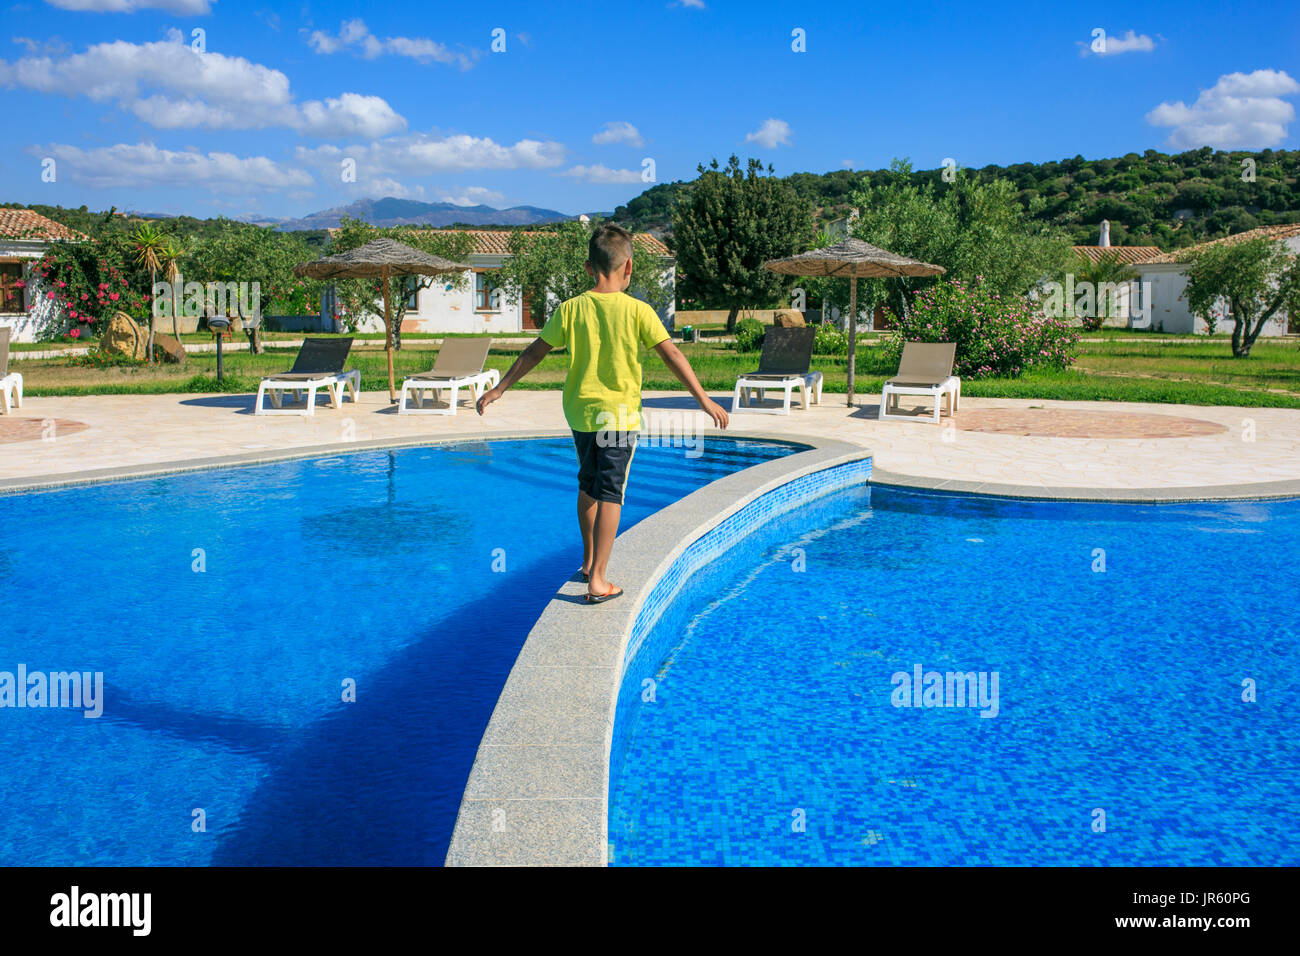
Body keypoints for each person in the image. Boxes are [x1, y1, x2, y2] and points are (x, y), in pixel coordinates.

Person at [476, 223, 728, 603]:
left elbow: (534, 352)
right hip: (618, 416)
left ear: (588, 267)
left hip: (580, 414)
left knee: (587, 483)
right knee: (611, 492)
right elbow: (672, 354)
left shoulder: (570, 309)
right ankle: (598, 580)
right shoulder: (638, 310)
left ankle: (588, 560)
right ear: (628, 268)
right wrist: (703, 399)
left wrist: (499, 388)